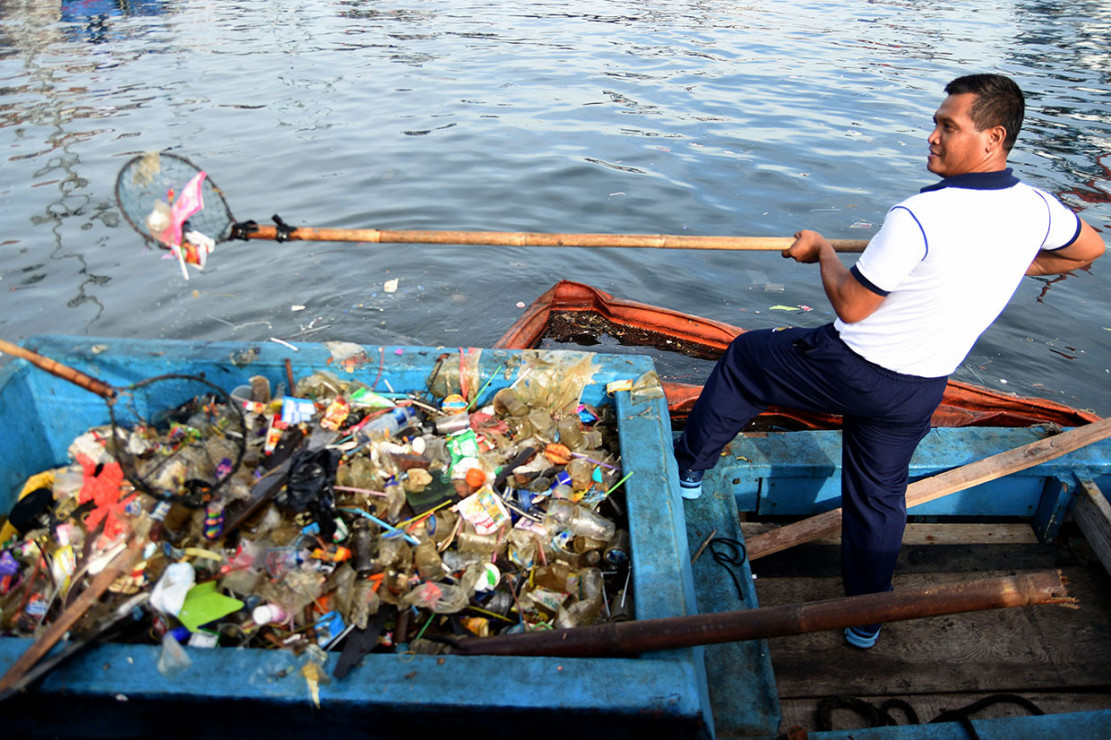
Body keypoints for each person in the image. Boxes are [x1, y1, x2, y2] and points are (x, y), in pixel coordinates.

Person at [673, 73, 1105, 649]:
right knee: (879, 497)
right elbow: (1090, 248)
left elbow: (852, 307)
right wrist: (1016, 262)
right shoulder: (1036, 209)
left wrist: (822, 250)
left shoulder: (918, 216)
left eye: (948, 126)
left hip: (854, 368)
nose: (931, 136)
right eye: (935, 122)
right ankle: (865, 617)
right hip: (921, 387)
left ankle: (690, 469)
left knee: (748, 356)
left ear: (993, 137)